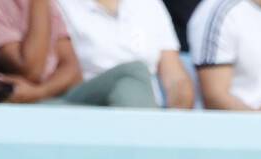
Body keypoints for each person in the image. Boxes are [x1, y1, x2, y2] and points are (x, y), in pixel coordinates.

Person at [0, 0, 159, 104]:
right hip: (19, 106)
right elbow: (31, 69)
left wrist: (40, 91)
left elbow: (73, 70)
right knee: (133, 72)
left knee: (131, 78)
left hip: (54, 95)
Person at [56, 0, 193, 107]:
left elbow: (176, 80)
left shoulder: (150, 4)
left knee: (134, 79)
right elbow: (64, 74)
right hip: (88, 107)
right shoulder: (60, 5)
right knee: (132, 74)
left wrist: (172, 125)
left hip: (147, 111)